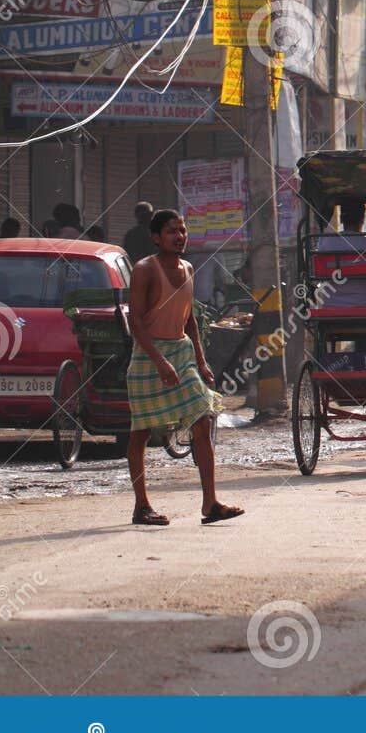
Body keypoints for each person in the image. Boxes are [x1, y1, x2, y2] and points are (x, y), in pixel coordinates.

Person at [124, 209, 241, 527]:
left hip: (183, 354)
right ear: (156, 237)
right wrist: (159, 361)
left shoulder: (189, 268)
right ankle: (141, 506)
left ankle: (210, 504)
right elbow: (134, 320)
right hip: (149, 356)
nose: (179, 236)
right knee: (140, 433)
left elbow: (189, 318)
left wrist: (201, 361)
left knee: (202, 420)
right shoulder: (144, 269)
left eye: (183, 230)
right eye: (172, 231)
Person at [316, 199, 366, 309]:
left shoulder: (325, 242)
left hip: (330, 305)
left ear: (341, 219)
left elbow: (318, 277)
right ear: (362, 219)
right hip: (361, 304)